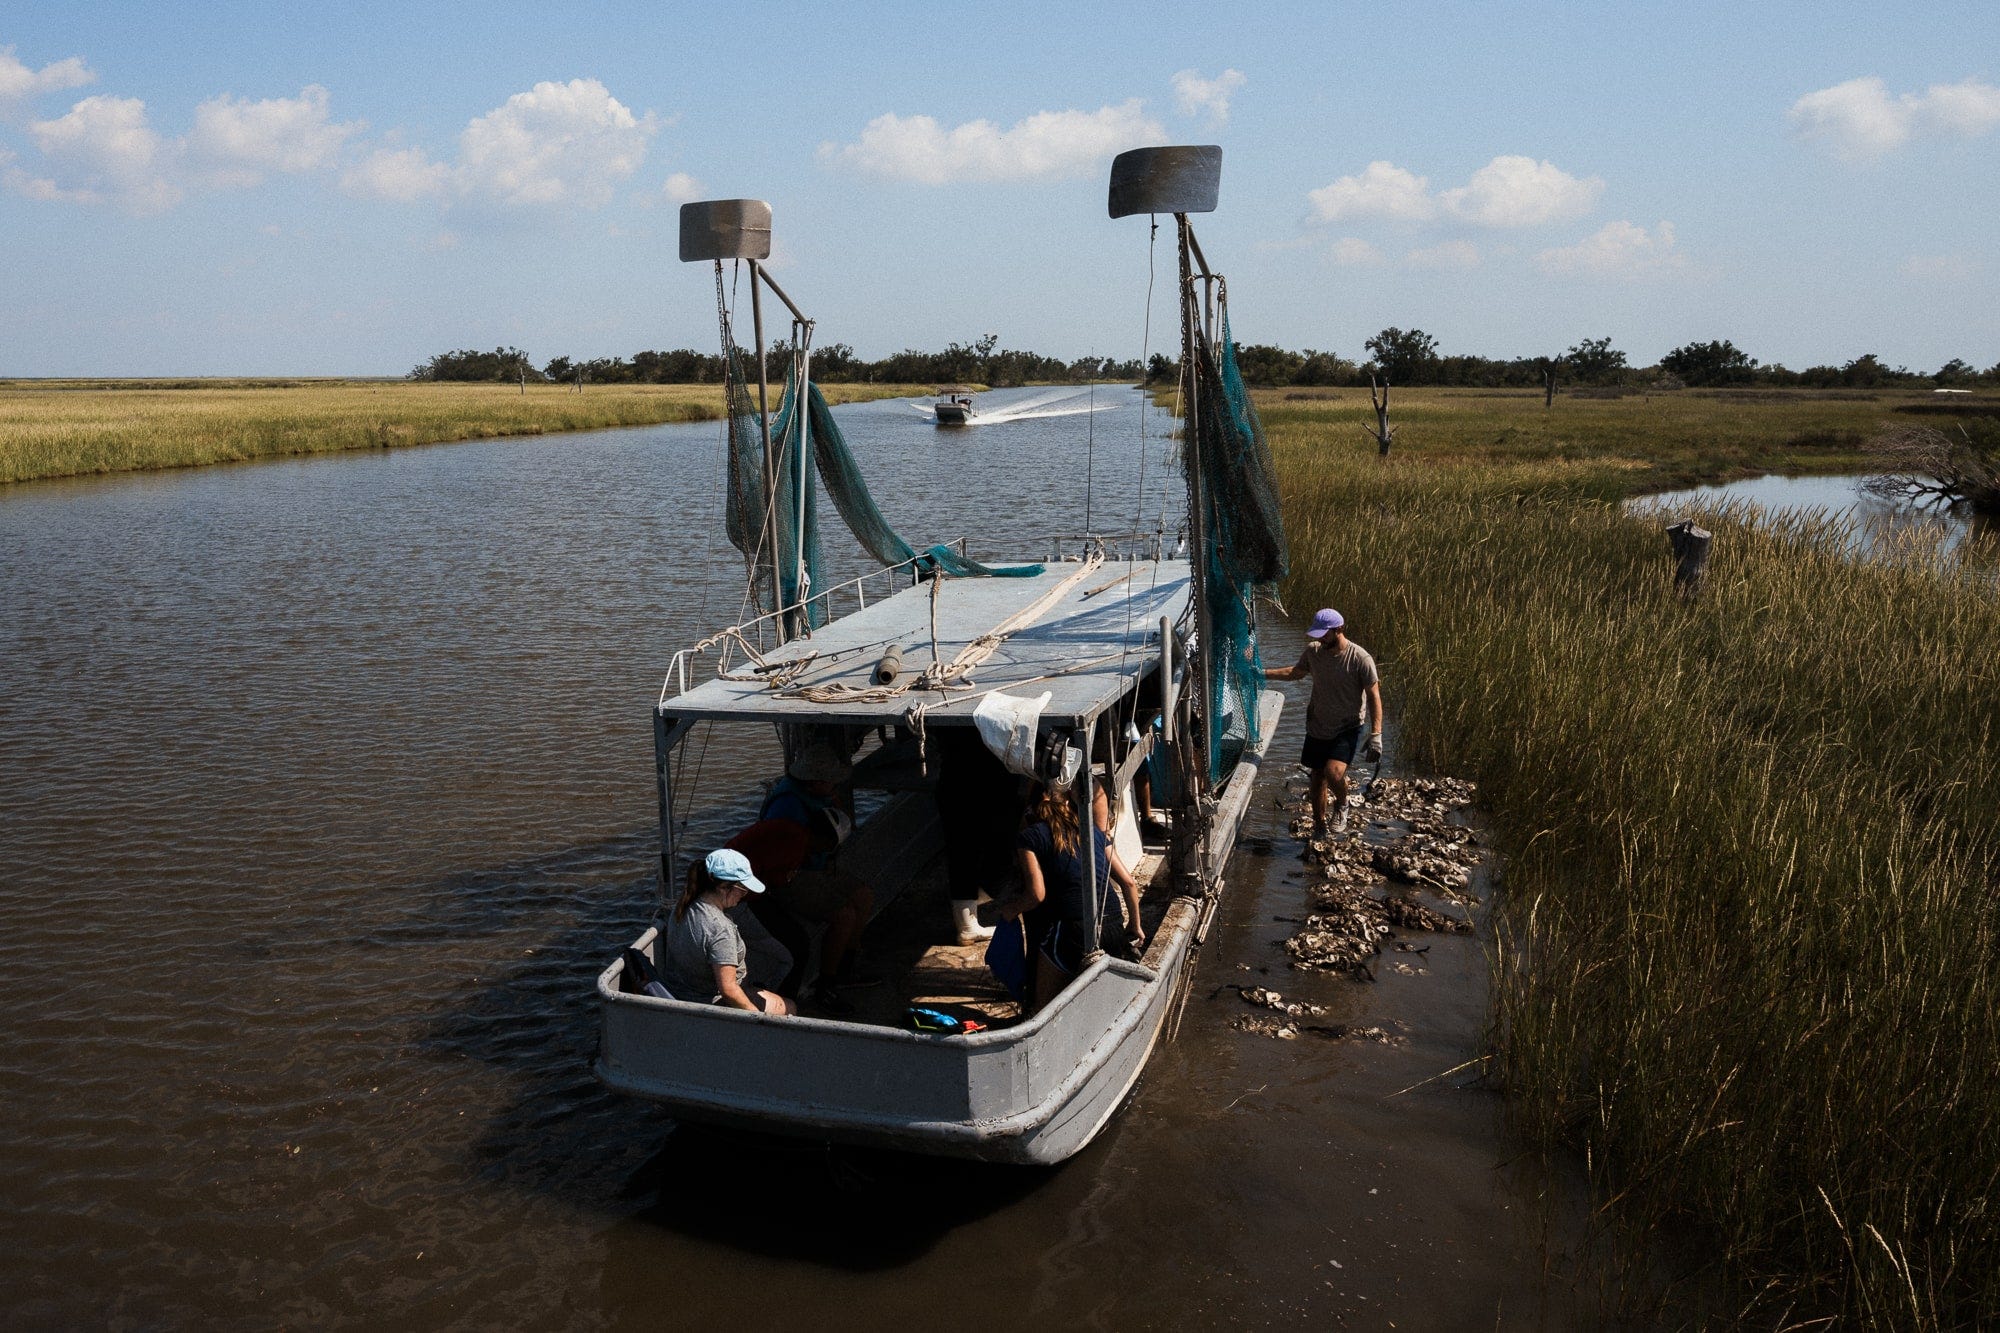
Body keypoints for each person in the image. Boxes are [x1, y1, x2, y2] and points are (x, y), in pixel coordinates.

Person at [989, 779, 1144, 1014]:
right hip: (1113, 925)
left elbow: (1036, 895)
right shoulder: (1092, 831)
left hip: (1073, 931)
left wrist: (1011, 910)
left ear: (1031, 808)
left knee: (1042, 1007)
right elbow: (1129, 882)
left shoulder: (1029, 837)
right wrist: (1135, 925)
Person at [726, 807, 875, 1009]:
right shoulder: (795, 842)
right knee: (796, 948)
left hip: (743, 891)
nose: (824, 852)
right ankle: (786, 1002)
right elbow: (775, 878)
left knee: (798, 939)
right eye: (829, 847)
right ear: (825, 839)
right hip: (740, 898)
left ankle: (789, 998)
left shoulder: (792, 832)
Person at [1265, 607, 1383, 840]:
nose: (1319, 638)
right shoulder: (1314, 652)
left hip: (1347, 726)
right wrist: (1263, 674)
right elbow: (1295, 673)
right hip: (1318, 724)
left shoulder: (1360, 658)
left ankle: (1342, 804)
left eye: (1324, 634)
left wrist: (1376, 733)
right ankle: (1320, 826)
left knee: (1333, 772)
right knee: (1317, 776)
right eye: (1317, 634)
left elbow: (1374, 695)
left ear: (1339, 629)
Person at [656, 849, 797, 1015]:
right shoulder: (720, 929)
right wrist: (758, 1018)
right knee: (789, 1007)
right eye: (743, 888)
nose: (745, 895)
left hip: (680, 991)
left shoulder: (683, 905)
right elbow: (729, 991)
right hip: (710, 1003)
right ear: (724, 887)